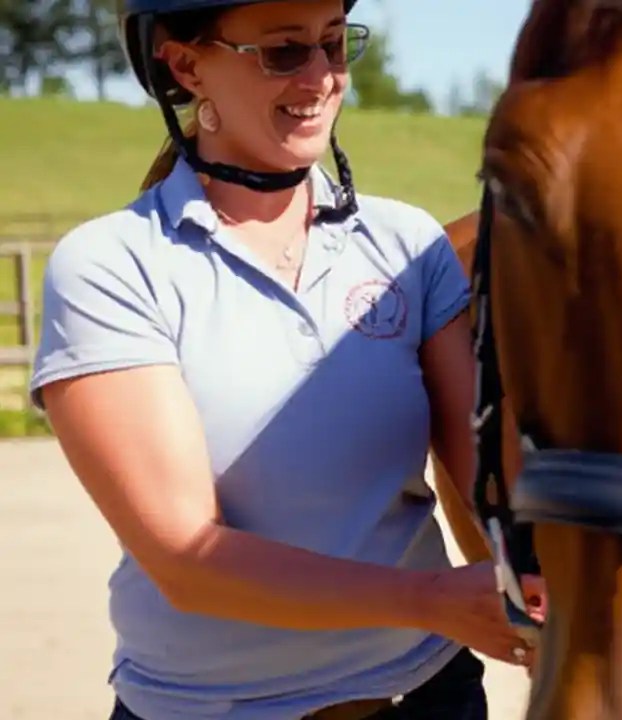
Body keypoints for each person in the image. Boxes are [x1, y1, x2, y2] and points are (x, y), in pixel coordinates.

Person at [29, 0, 544, 718]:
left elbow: (499, 494)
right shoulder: (112, 267)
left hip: (428, 695)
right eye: (283, 53)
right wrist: (430, 600)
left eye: (333, 45)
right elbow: (187, 561)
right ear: (184, 65)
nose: (322, 78)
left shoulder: (407, 246)